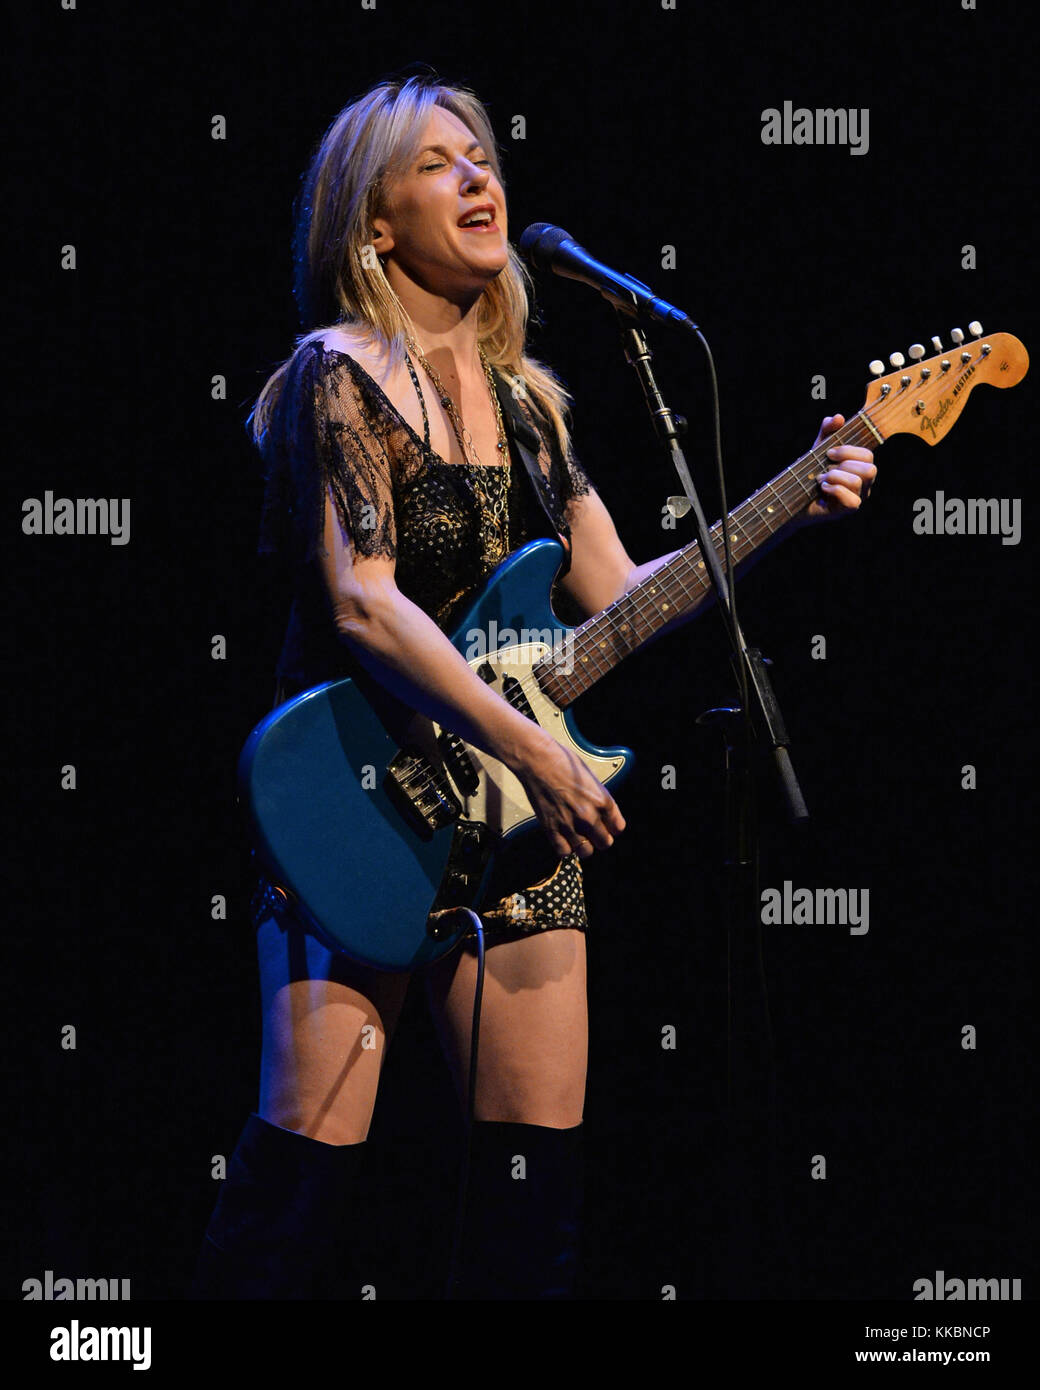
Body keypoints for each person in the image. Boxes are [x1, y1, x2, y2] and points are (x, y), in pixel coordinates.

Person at [191, 72, 877, 1301]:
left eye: (485, 157)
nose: (479, 176)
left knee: (531, 1197)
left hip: (516, 825)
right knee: (299, 1189)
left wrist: (791, 502)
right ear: (372, 222)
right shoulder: (331, 374)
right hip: (355, 797)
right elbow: (364, 601)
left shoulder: (528, 408)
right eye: (438, 162)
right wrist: (540, 746)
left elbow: (621, 595)